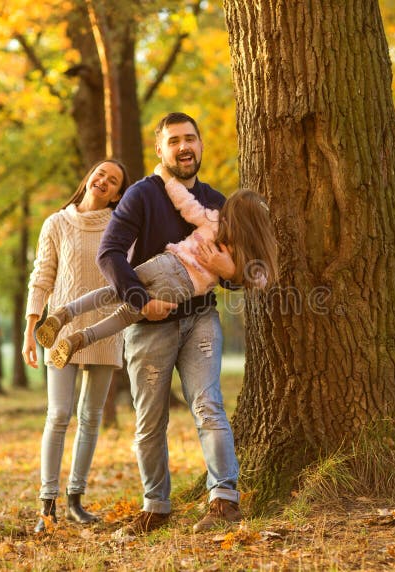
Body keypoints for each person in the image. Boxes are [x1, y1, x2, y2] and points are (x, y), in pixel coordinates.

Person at [97, 112, 264, 535]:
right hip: (148, 324)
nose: (184, 147)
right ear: (161, 150)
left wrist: (230, 270)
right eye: (174, 141)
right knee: (149, 420)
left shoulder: (217, 202)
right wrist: (141, 300)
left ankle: (224, 500)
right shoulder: (141, 196)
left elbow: (245, 273)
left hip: (200, 321)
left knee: (209, 406)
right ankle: (156, 507)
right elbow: (110, 254)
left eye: (190, 138)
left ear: (201, 144)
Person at [35, 167, 277, 371]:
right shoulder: (246, 253)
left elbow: (184, 202)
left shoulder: (212, 219)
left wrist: (164, 176)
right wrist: (232, 271)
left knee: (116, 291)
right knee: (125, 316)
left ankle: (64, 313)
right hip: (180, 287)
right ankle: (80, 339)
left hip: (165, 262)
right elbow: (260, 280)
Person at [22, 159, 130, 533]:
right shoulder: (57, 223)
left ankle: (75, 499)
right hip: (60, 330)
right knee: (58, 414)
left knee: (91, 417)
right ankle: (46, 502)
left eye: (112, 180)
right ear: (88, 178)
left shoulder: (121, 227)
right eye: (100, 173)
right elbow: (42, 276)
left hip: (104, 330)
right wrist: (30, 328)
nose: (103, 181)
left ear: (117, 194)